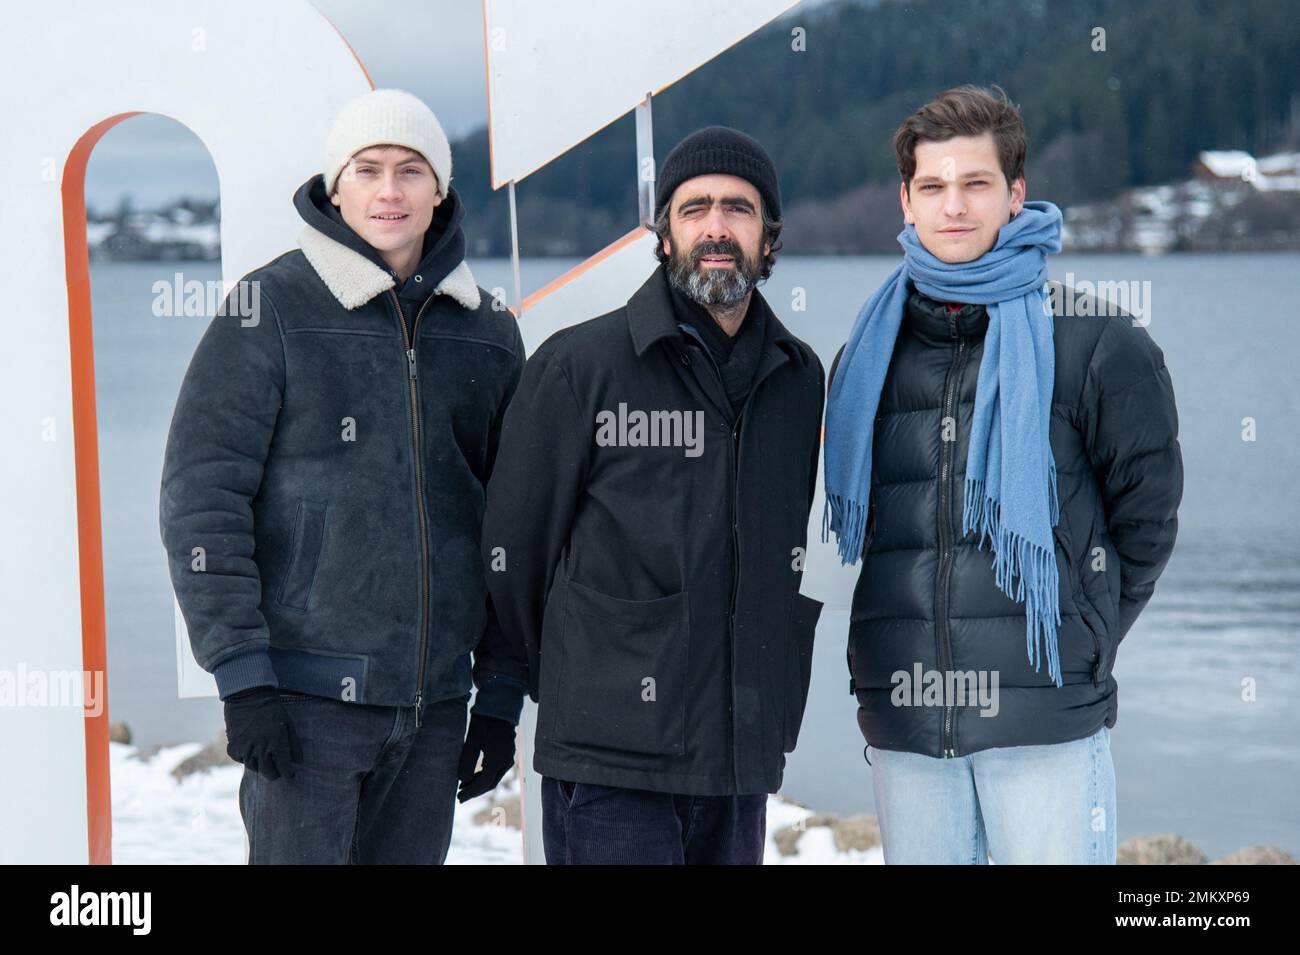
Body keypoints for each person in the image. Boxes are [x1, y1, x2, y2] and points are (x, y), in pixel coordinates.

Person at [160, 89, 527, 864]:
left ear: (440, 190)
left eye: (409, 170)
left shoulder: (489, 332)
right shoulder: (271, 308)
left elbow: (511, 527)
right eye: (368, 170)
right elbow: (201, 499)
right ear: (337, 187)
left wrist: (497, 696)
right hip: (303, 705)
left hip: (434, 712)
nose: (389, 190)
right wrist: (243, 673)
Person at [822, 85, 1183, 864]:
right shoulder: (867, 356)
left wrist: (1082, 637)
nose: (954, 205)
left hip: (1046, 722)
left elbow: (1147, 521)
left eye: (975, 183)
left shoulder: (1095, 343)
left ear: (1016, 195)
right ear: (907, 201)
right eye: (934, 186)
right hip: (908, 722)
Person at [482, 127, 825, 864]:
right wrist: (536, 686)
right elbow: (514, 553)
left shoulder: (799, 379)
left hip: (740, 759)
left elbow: (778, 550)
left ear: (771, 237)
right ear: (662, 234)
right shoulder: (580, 369)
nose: (716, 227)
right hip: (613, 768)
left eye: (739, 208)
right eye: (693, 207)